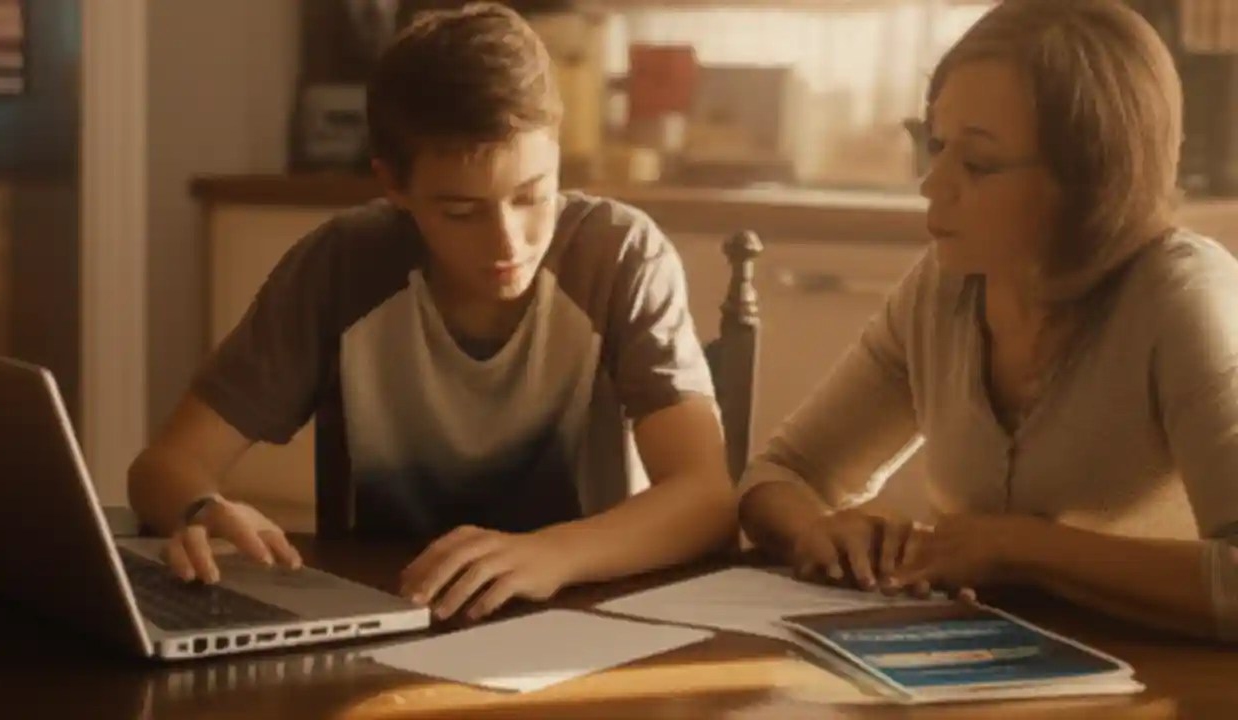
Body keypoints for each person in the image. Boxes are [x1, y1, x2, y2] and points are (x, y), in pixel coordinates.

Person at [128, 3, 735, 623]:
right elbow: (164, 467)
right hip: (387, 613)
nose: (509, 243)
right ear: (393, 185)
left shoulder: (619, 255)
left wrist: (552, 555)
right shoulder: (340, 266)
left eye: (532, 196)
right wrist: (202, 507)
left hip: (579, 616)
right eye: (461, 213)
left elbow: (705, 497)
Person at [739, 0, 1238, 641]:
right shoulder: (943, 286)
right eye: (935, 144)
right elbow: (781, 475)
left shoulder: (1183, 299)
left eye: (976, 163)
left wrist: (1020, 547)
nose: (931, 183)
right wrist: (820, 530)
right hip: (985, 675)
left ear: (1091, 177)